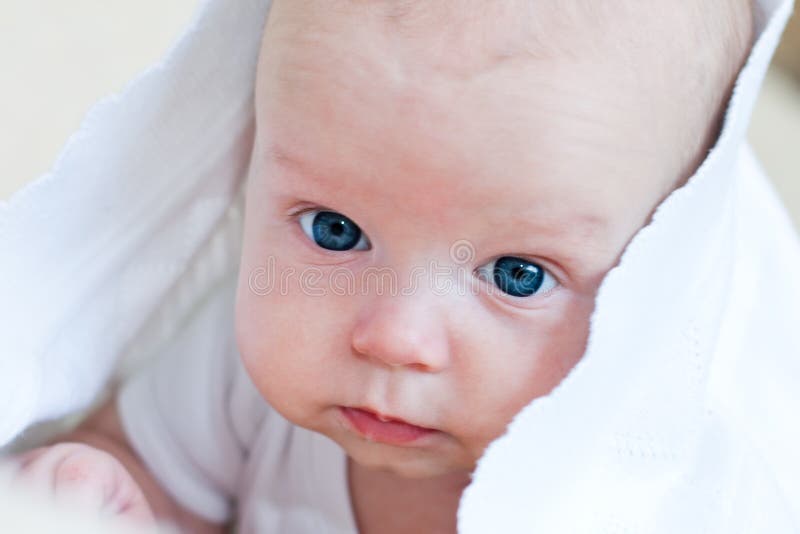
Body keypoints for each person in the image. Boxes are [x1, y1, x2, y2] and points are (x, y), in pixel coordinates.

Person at [2, 0, 762, 532]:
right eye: (335, 231)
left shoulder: (639, 498)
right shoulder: (242, 368)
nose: (395, 338)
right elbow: (147, 467)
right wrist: (103, 489)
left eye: (516, 276)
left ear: (663, 284)